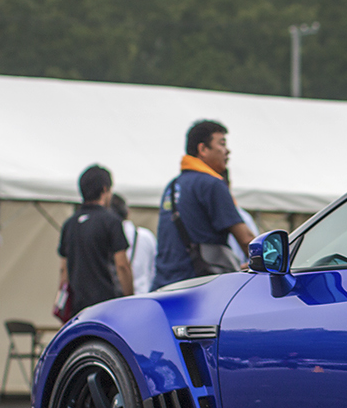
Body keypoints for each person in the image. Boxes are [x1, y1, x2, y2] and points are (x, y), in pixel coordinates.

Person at [153, 119, 255, 288]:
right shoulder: (212, 184)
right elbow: (246, 241)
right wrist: (272, 267)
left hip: (165, 284)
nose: (227, 151)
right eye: (222, 144)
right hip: (198, 285)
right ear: (203, 149)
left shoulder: (172, 186)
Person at [59, 164, 133, 311]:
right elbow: (122, 266)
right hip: (106, 305)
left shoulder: (70, 224)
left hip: (78, 306)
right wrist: (129, 299)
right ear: (105, 190)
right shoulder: (111, 221)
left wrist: (62, 302)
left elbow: (64, 269)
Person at [108, 193, 156, 293]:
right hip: (144, 295)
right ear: (128, 212)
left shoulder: (106, 236)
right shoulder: (146, 236)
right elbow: (155, 270)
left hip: (117, 298)